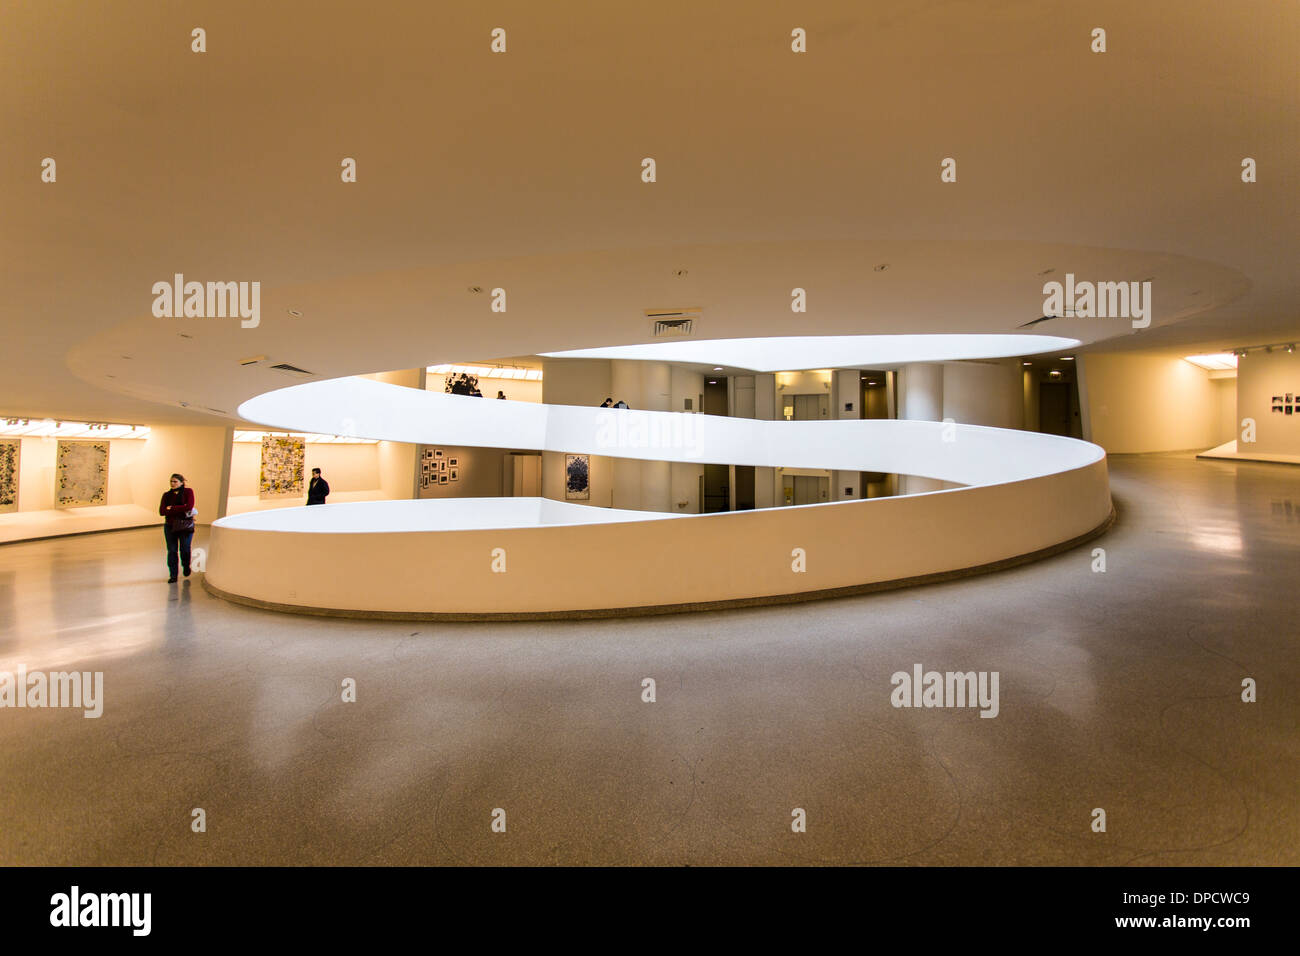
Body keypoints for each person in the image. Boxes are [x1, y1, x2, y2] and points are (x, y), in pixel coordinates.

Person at [158, 473, 195, 583]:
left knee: (184, 548)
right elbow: (162, 511)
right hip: (170, 526)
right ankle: (173, 575)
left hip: (185, 526)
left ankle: (186, 565)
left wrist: (172, 508)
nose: (172, 483)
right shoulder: (166, 495)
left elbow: (189, 506)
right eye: (171, 481)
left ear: (181, 482)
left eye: (175, 481)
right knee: (172, 550)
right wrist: (180, 508)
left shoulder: (188, 492)